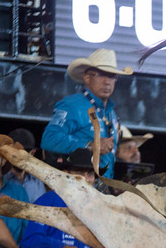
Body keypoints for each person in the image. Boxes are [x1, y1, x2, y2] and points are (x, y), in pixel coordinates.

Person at [41, 48, 131, 180]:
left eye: (112, 76)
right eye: (101, 75)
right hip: (78, 187)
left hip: (103, 188)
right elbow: (49, 139)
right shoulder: (72, 105)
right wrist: (90, 145)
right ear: (87, 78)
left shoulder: (111, 112)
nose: (107, 82)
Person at [4, 128, 46, 203]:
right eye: (16, 152)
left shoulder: (38, 181)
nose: (20, 157)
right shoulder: (0, 179)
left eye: (25, 153)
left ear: (32, 153)